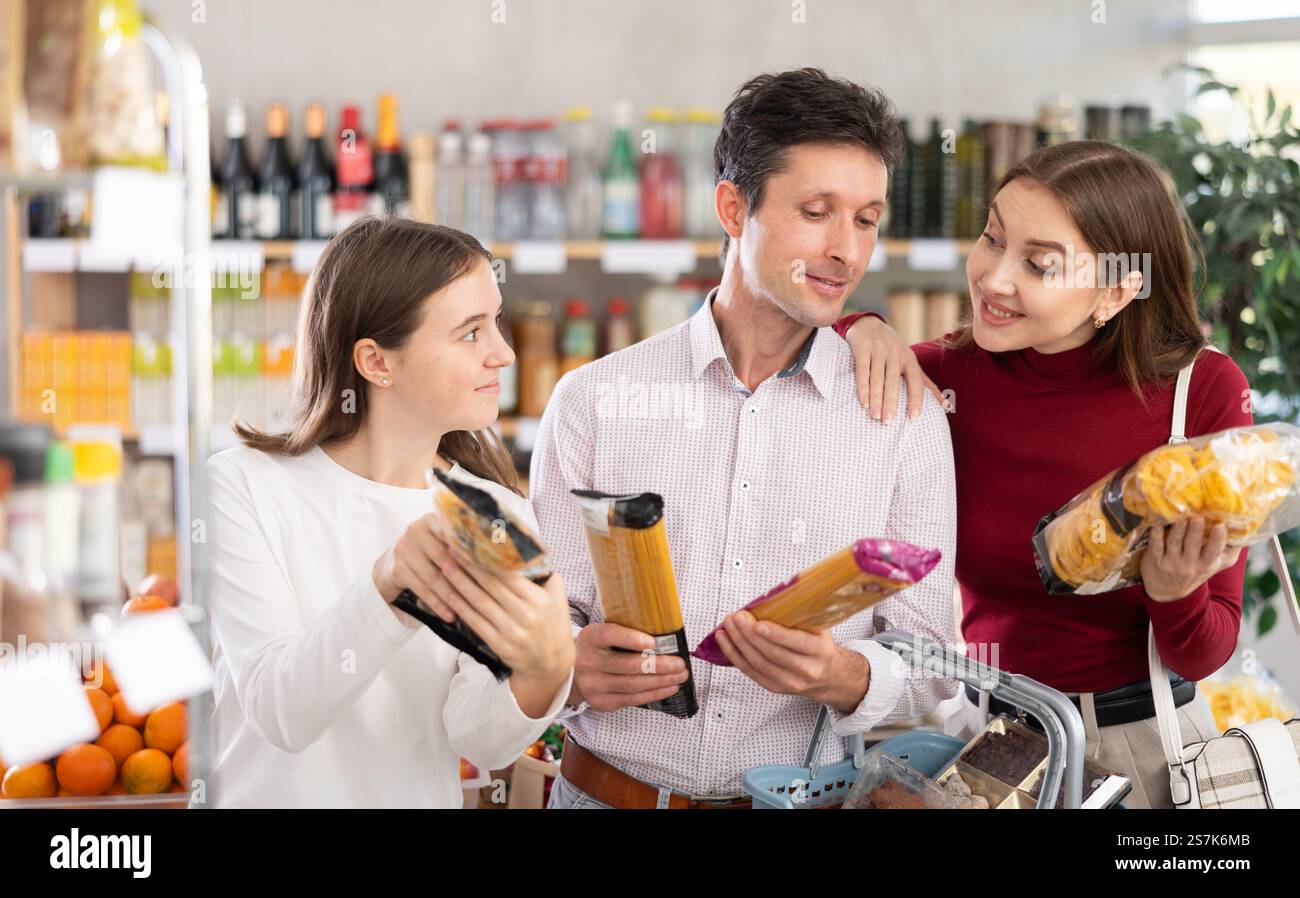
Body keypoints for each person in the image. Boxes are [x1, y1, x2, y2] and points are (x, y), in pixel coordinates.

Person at [529, 68, 958, 809]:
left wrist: (845, 676)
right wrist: (565, 666)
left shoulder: (903, 419)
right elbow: (536, 624)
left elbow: (934, 670)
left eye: (866, 220)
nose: (846, 252)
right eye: (817, 212)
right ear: (733, 207)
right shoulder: (594, 401)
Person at [837, 140, 1245, 807]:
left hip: (1144, 752)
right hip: (991, 744)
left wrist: (1173, 592)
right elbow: (806, 353)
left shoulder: (1200, 391)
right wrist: (863, 325)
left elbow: (1206, 652)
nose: (995, 278)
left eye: (1039, 264)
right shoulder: (947, 377)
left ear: (1116, 289)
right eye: (992, 238)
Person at [207, 218, 574, 808]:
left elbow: (477, 738)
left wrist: (544, 670)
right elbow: (282, 713)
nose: (503, 353)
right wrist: (390, 586)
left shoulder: (499, 513)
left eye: (496, 324)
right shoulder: (244, 487)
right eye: (470, 333)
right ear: (377, 363)